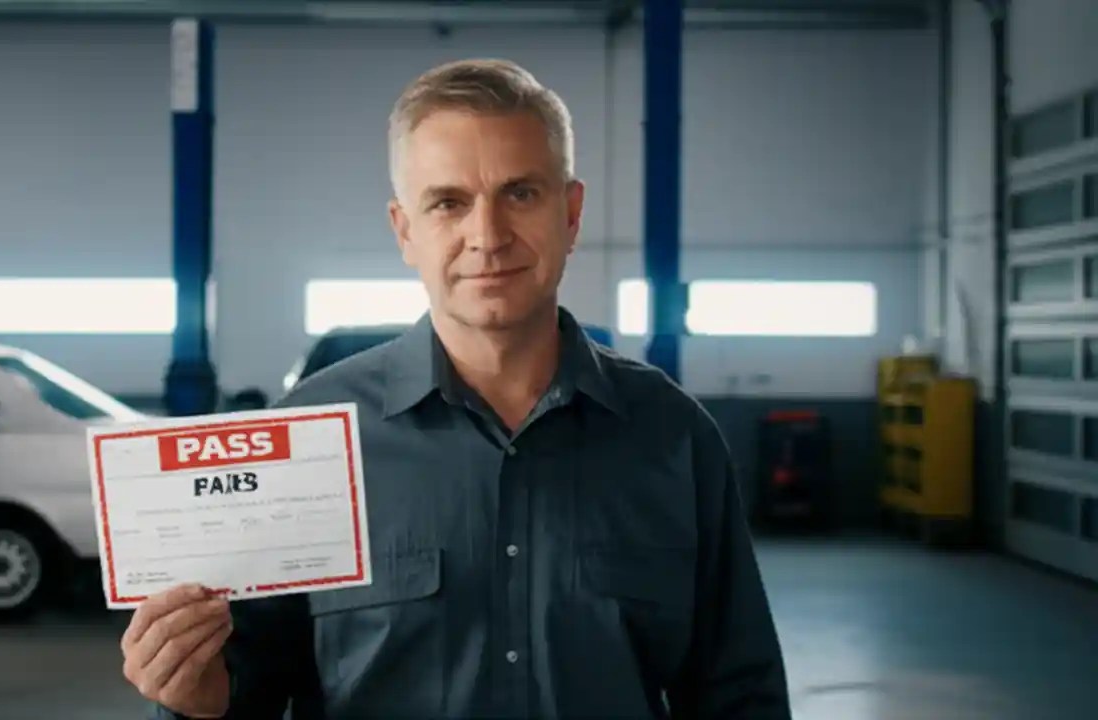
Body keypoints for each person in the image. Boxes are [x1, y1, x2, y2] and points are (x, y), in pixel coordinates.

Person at [121, 58, 791, 719]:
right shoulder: (313, 440)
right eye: (448, 202)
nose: (488, 236)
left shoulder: (672, 437)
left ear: (573, 212)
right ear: (405, 230)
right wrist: (196, 697)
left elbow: (740, 694)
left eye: (521, 193)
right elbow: (248, 686)